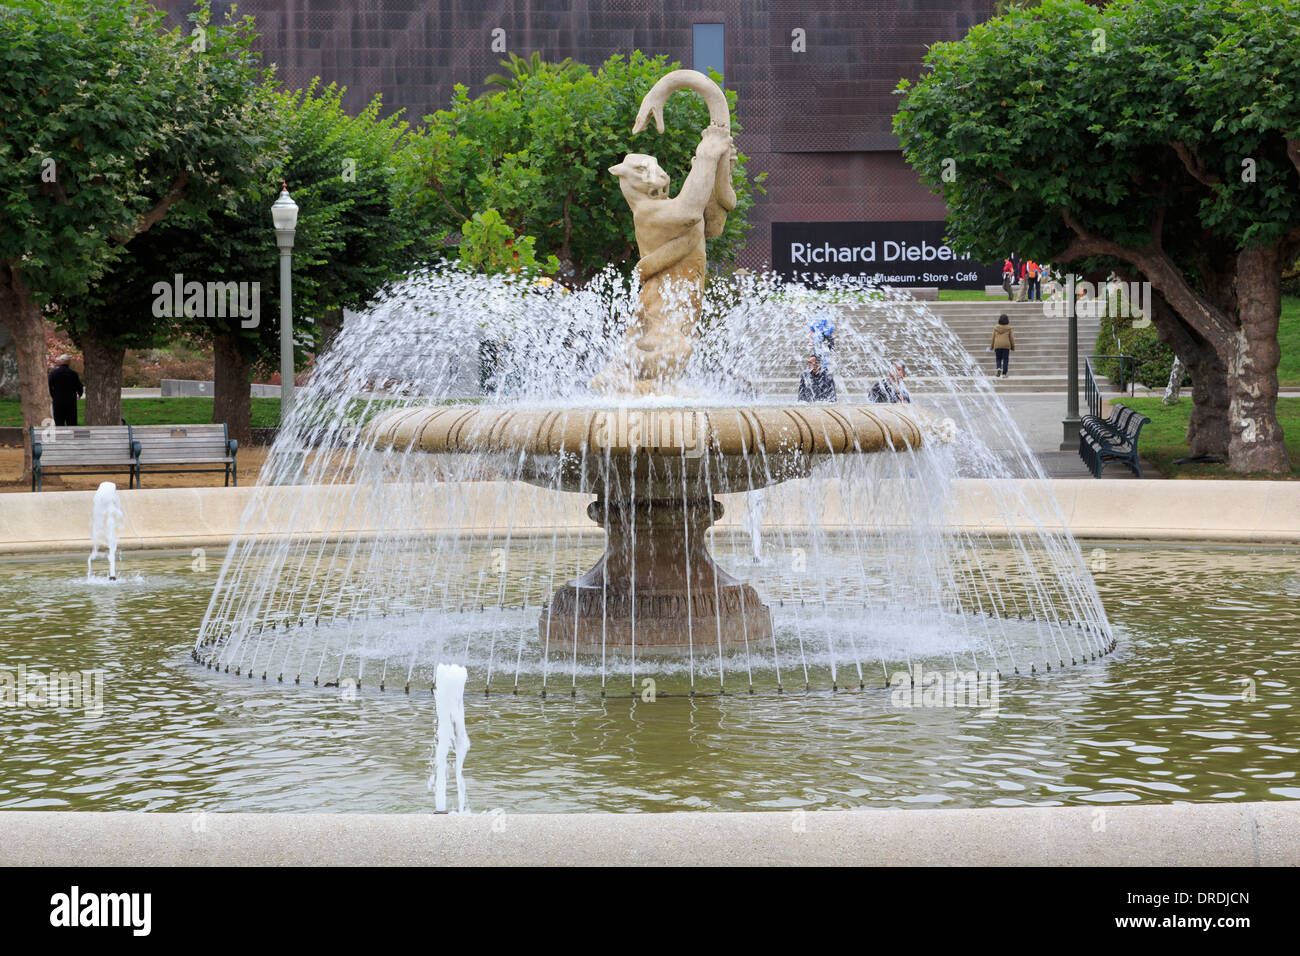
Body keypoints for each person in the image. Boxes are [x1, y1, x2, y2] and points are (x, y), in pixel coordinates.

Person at [48, 354, 83, 426]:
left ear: (60, 362)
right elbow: (79, 386)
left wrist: (53, 396)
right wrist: (79, 394)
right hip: (71, 401)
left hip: (58, 401)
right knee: (72, 423)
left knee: (59, 423)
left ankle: (61, 436)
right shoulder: (73, 374)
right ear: (69, 362)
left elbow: (49, 386)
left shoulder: (53, 373)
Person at [990, 314, 1015, 378]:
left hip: (997, 345)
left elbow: (993, 338)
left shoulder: (996, 328)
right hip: (1006, 346)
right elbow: (1011, 338)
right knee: (1005, 359)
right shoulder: (1009, 328)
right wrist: (1013, 347)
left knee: (998, 358)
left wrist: (991, 346)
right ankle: (1004, 374)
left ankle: (998, 368)